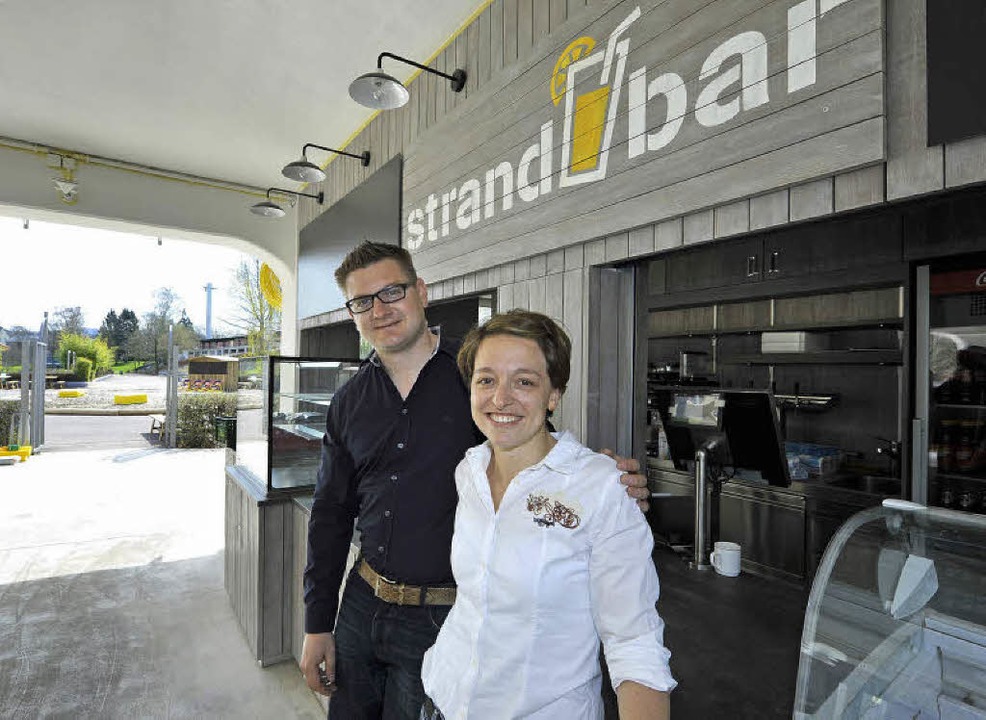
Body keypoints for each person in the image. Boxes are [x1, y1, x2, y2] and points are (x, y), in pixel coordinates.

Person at [301, 241, 650, 719]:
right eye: (362, 302)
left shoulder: (478, 379)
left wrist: (605, 483)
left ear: (421, 292)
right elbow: (331, 514)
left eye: (391, 292)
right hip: (361, 603)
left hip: (443, 615)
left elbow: (539, 451)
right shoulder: (348, 402)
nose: (379, 310)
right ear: (352, 314)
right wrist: (317, 622)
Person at [421, 310, 675, 719]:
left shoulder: (601, 487)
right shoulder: (468, 470)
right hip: (441, 702)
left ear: (553, 394)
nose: (501, 398)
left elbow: (635, 643)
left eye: (524, 382)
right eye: (486, 379)